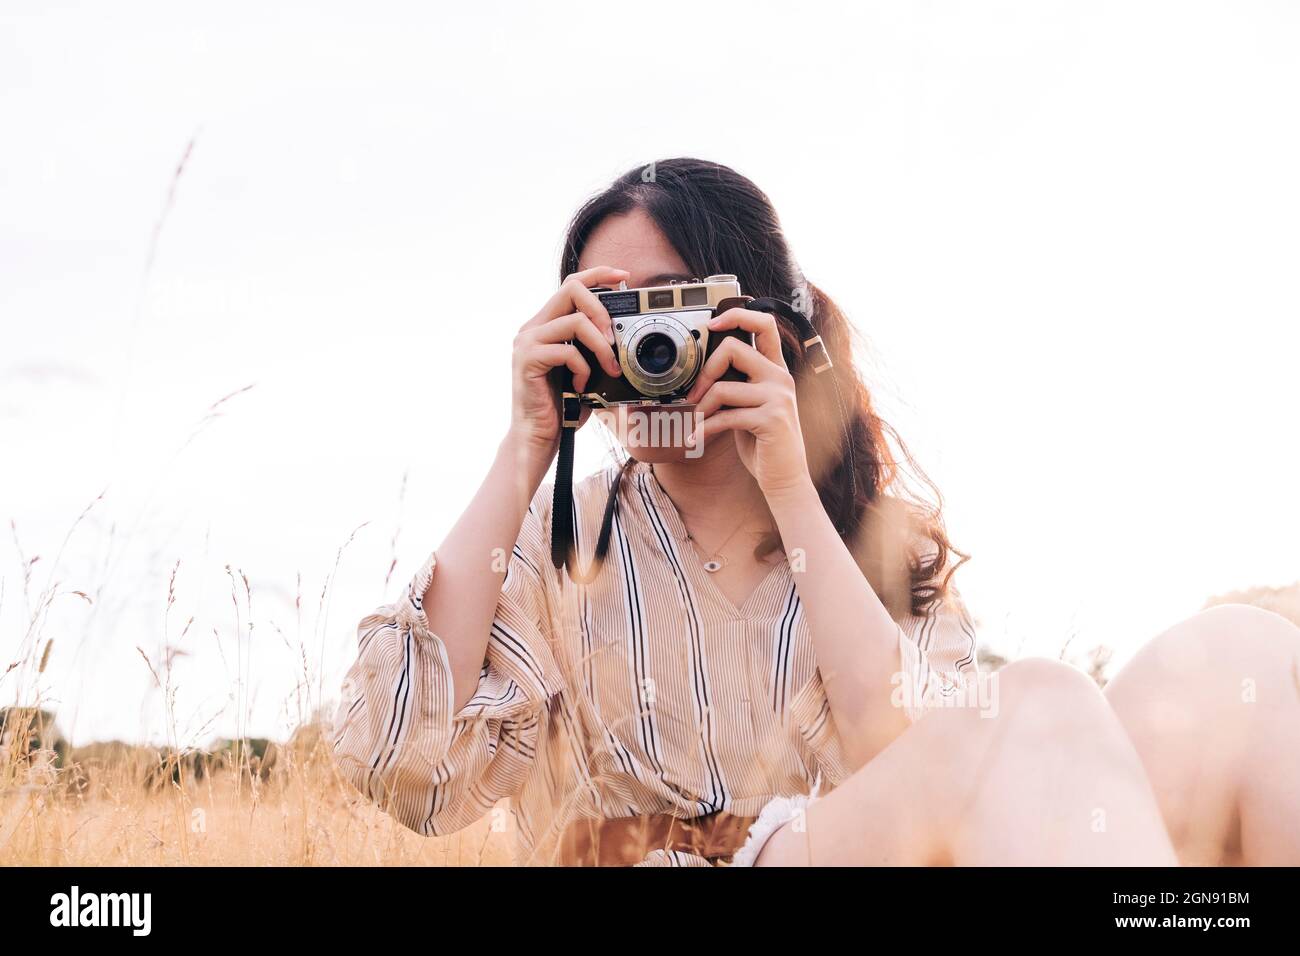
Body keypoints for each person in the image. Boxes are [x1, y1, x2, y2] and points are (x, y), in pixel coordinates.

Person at [331, 158, 1300, 866]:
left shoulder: (869, 539)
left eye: (668, 309)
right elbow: (393, 764)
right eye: (606, 317)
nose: (644, 350)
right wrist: (527, 442)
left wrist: (792, 490)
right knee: (1037, 699)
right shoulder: (555, 550)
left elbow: (919, 764)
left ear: (757, 320)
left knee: (1238, 655)